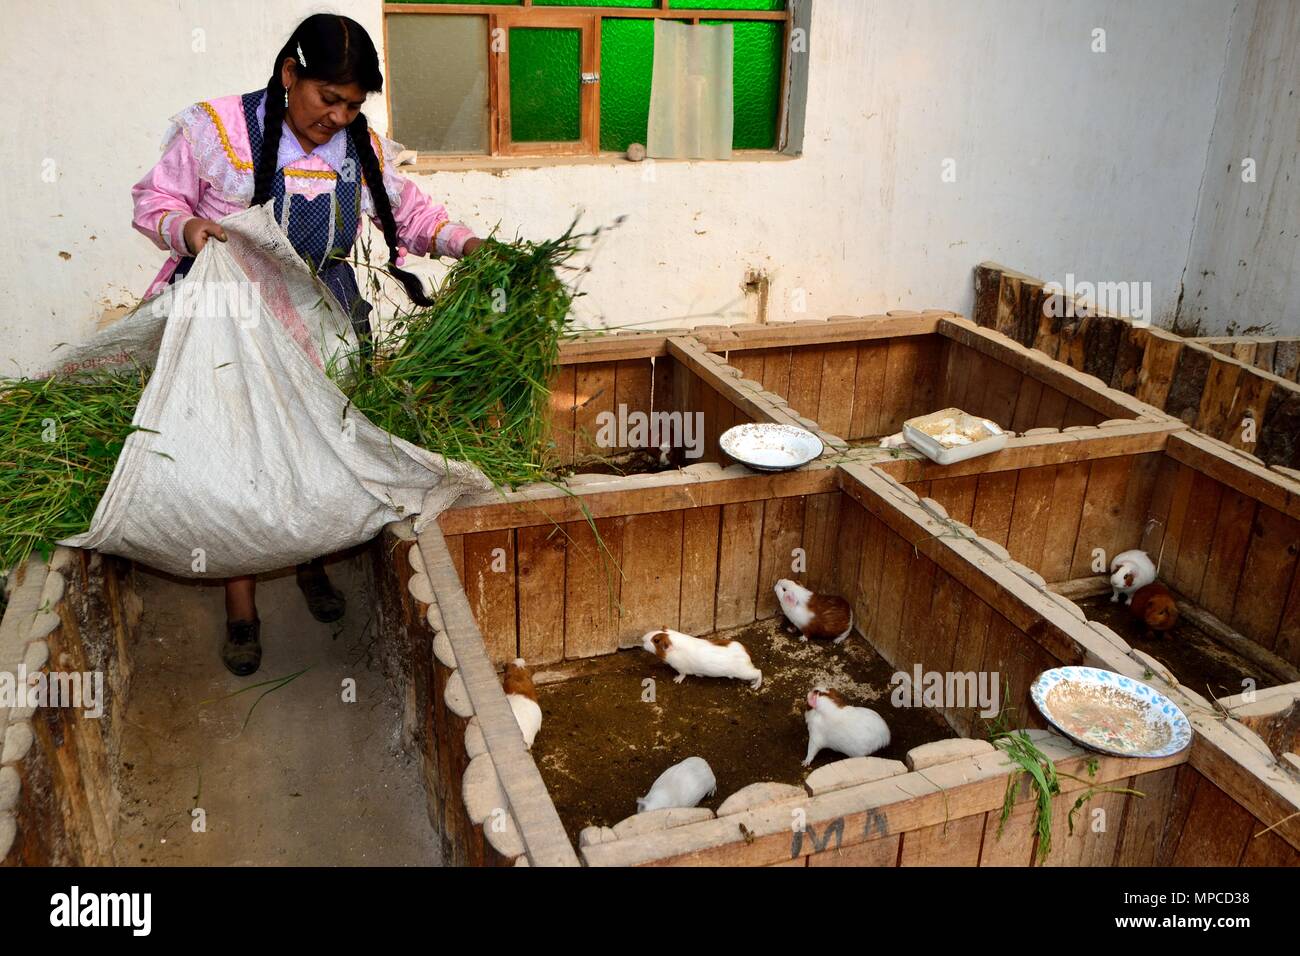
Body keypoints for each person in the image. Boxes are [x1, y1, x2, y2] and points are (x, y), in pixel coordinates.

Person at [131, 13, 482, 677]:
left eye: (353, 105)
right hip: (227, 320)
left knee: (315, 446)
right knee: (234, 458)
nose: (339, 117)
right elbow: (154, 200)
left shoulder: (358, 145)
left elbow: (411, 215)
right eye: (329, 99)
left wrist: (471, 245)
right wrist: (188, 227)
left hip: (318, 320)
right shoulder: (218, 130)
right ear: (291, 75)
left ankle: (309, 562)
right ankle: (240, 602)